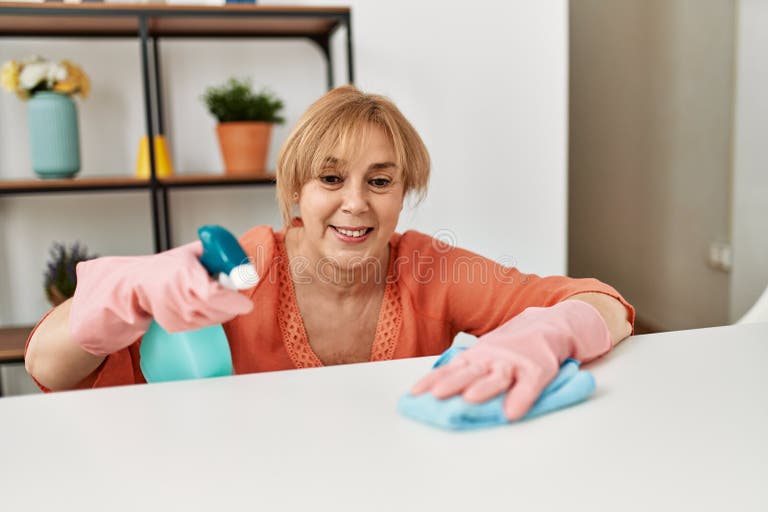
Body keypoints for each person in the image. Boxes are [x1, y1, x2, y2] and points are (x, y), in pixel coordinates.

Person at [25, 85, 634, 420]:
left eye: (380, 180)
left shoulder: (429, 267)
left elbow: (604, 303)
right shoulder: (234, 271)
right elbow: (48, 369)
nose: (356, 205)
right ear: (295, 189)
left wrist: (550, 331)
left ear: (404, 194)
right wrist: (120, 294)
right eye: (331, 178)